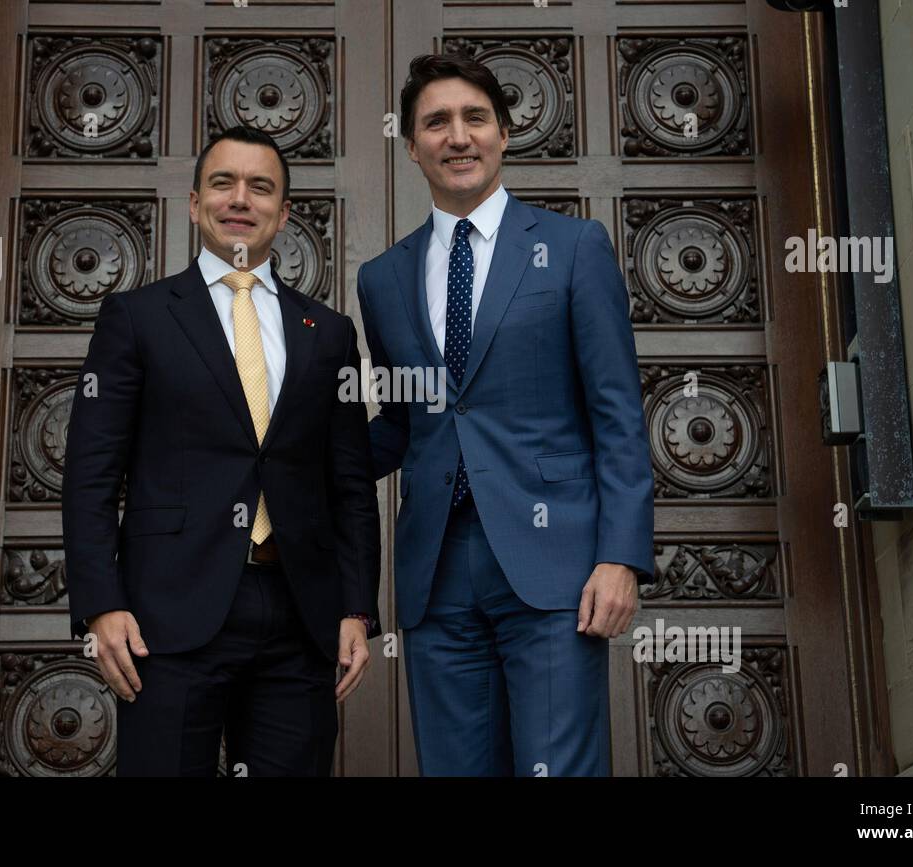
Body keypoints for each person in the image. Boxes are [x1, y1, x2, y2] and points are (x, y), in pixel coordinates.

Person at [356, 54, 655, 776]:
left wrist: (621, 556)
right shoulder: (382, 277)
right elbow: (401, 424)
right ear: (412, 144)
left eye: (474, 118)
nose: (457, 137)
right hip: (435, 572)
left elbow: (616, 412)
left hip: (556, 565)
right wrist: (282, 452)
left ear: (504, 133)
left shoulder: (574, 247)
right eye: (436, 122)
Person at [63, 125, 381, 776]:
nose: (241, 198)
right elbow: (91, 472)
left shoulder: (329, 334)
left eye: (260, 187)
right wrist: (101, 602)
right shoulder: (137, 317)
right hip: (165, 616)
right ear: (194, 202)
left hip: (302, 617)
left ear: (284, 212)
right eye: (223, 183)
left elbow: (348, 482)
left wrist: (356, 606)